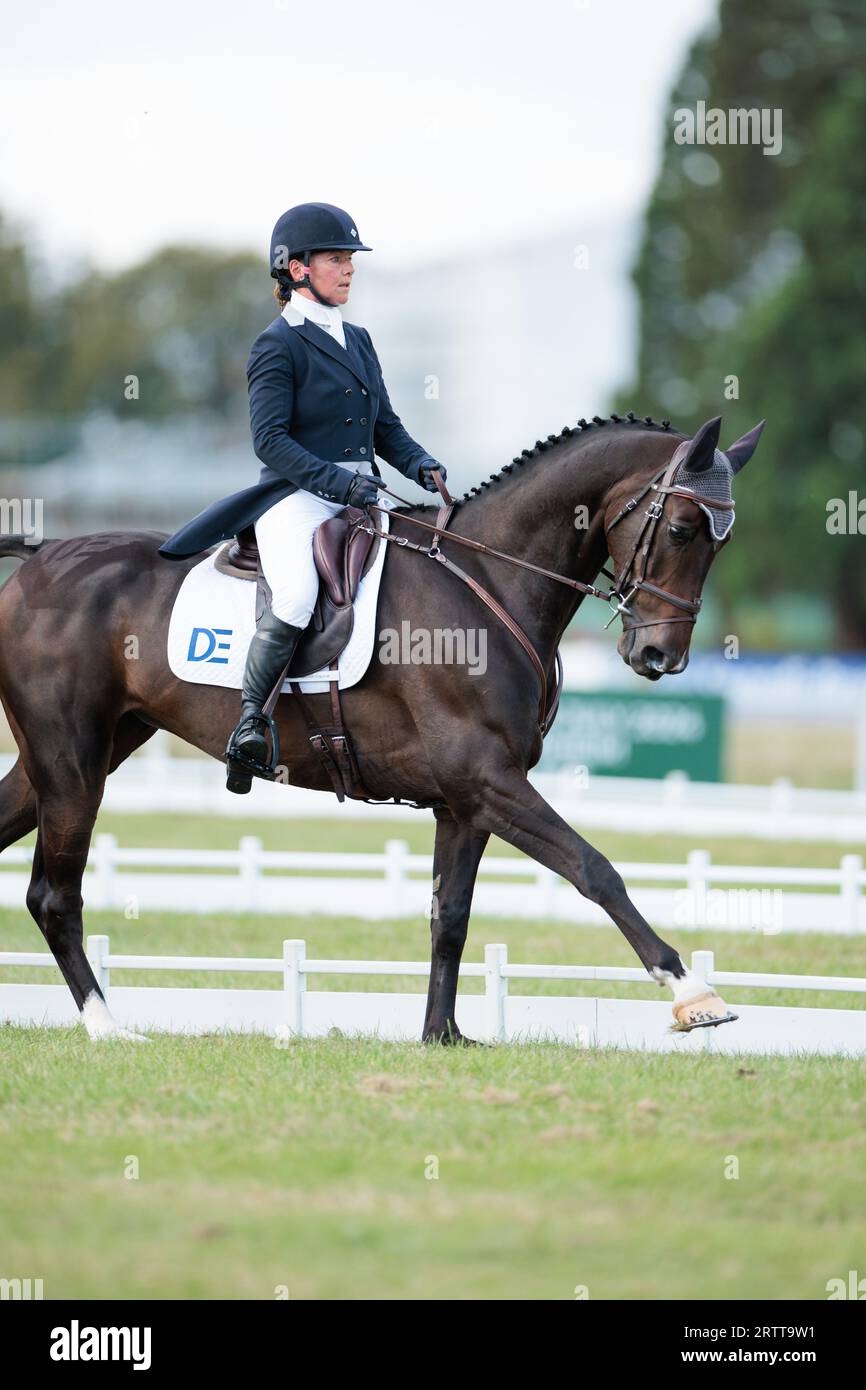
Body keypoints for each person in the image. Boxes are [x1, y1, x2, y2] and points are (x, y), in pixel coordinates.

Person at [159, 202, 447, 792]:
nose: (348, 269)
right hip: (297, 496)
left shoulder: (359, 340)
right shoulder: (277, 345)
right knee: (294, 593)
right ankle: (250, 724)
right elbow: (270, 442)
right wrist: (339, 482)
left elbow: (384, 426)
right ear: (295, 269)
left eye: (350, 259)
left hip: (362, 494)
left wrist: (420, 463)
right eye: (336, 259)